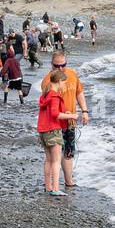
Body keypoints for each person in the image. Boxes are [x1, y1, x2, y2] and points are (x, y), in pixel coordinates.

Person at [40, 50, 90, 190]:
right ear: (52, 64)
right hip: (54, 124)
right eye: (57, 66)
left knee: (68, 152)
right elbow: (49, 106)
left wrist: (84, 111)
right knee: (53, 157)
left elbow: (79, 93)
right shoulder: (48, 81)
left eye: (63, 65)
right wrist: (66, 113)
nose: (61, 69)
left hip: (69, 123)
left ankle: (69, 181)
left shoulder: (72, 75)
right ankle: (50, 186)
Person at [37, 69, 80, 198]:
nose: (64, 86)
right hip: (53, 130)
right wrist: (72, 115)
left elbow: (51, 112)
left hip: (43, 130)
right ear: (59, 81)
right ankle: (55, 188)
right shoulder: (55, 96)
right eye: (64, 83)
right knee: (56, 161)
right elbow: (55, 114)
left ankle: (48, 186)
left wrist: (64, 113)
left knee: (48, 160)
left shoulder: (45, 95)